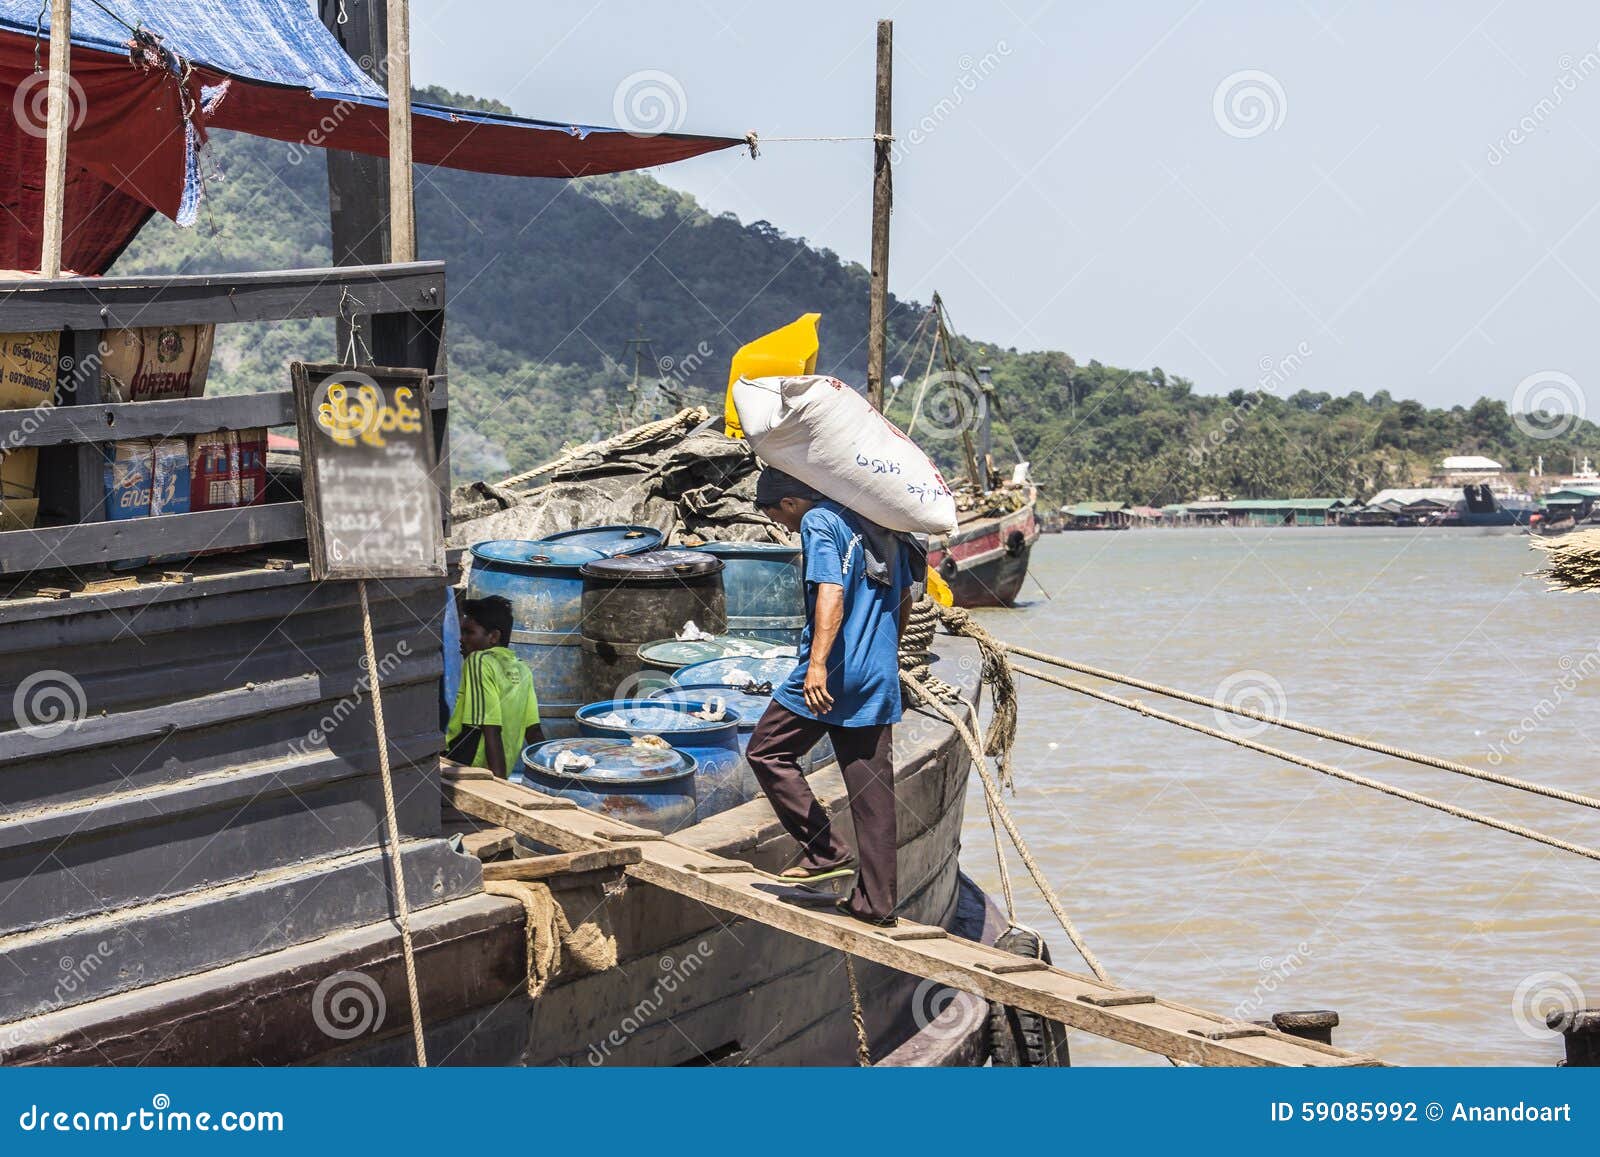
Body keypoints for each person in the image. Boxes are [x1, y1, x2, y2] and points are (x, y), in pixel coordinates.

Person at [744, 467, 923, 927]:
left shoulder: (819, 521)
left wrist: (819, 664)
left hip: (832, 673)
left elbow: (830, 591)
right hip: (875, 674)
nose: (783, 526)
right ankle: (877, 905)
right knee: (873, 792)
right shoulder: (882, 526)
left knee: (767, 751)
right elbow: (904, 600)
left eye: (776, 515)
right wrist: (884, 655)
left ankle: (826, 851)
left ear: (788, 503)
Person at [444, 595, 543, 778]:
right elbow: (534, 731)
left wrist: (498, 780)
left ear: (494, 637)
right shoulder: (522, 668)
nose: (461, 638)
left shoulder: (478, 660)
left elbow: (490, 726)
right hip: (500, 767)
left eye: (469, 632)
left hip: (470, 766)